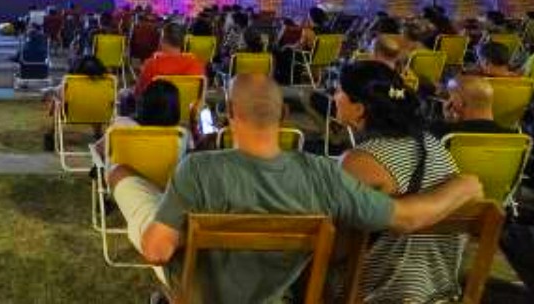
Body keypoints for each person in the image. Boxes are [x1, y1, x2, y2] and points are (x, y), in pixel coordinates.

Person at [109, 74, 482, 303]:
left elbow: (158, 252)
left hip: (199, 289)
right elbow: (406, 216)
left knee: (132, 189)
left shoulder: (198, 170)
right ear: (285, 116)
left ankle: (112, 170)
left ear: (229, 117)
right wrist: (466, 185)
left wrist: (187, 233)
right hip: (274, 291)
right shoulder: (325, 175)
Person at [336, 61, 468, 303]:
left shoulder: (361, 162)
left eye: (339, 91)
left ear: (358, 108)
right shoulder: (433, 145)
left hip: (382, 293)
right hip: (438, 290)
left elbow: (336, 247)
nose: (335, 97)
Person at [131, 24, 205, 95]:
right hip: (189, 107)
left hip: (157, 107)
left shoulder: (151, 64)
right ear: (182, 42)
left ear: (162, 40)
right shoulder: (196, 65)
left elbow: (138, 93)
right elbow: (200, 95)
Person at [433, 75, 510, 137]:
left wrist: (448, 122)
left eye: (450, 97)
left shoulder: (440, 133)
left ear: (459, 103)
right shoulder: (513, 137)